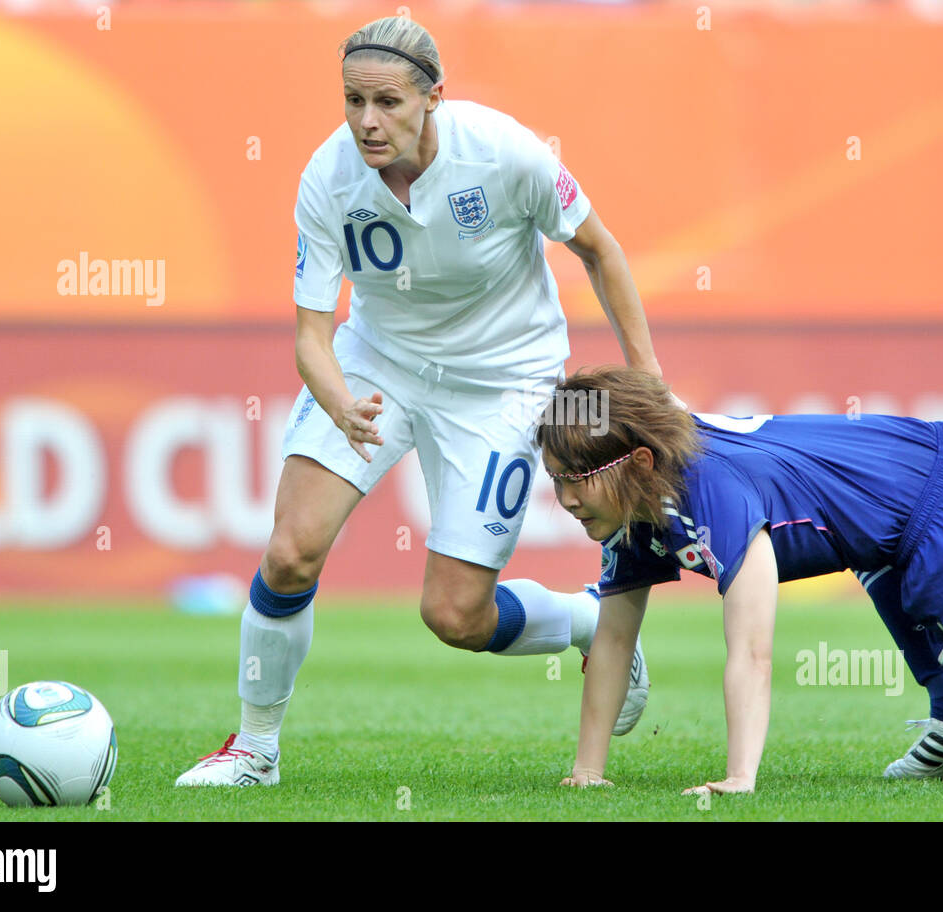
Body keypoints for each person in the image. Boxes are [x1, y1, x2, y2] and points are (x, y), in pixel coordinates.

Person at [176, 16, 660, 787]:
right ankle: (256, 749)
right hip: (380, 365)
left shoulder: (505, 153)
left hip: (504, 382)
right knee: (290, 549)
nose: (368, 121)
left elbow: (599, 248)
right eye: (353, 100)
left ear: (435, 97)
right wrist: (336, 399)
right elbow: (311, 334)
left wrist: (647, 379)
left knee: (456, 617)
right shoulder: (326, 177)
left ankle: (592, 623)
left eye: (388, 102)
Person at [540, 367, 943, 794]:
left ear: (639, 461)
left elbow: (750, 649)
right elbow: (613, 637)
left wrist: (741, 777)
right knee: (867, 541)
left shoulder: (710, 490)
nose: (564, 500)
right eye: (556, 480)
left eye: (575, 481)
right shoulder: (640, 503)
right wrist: (587, 775)